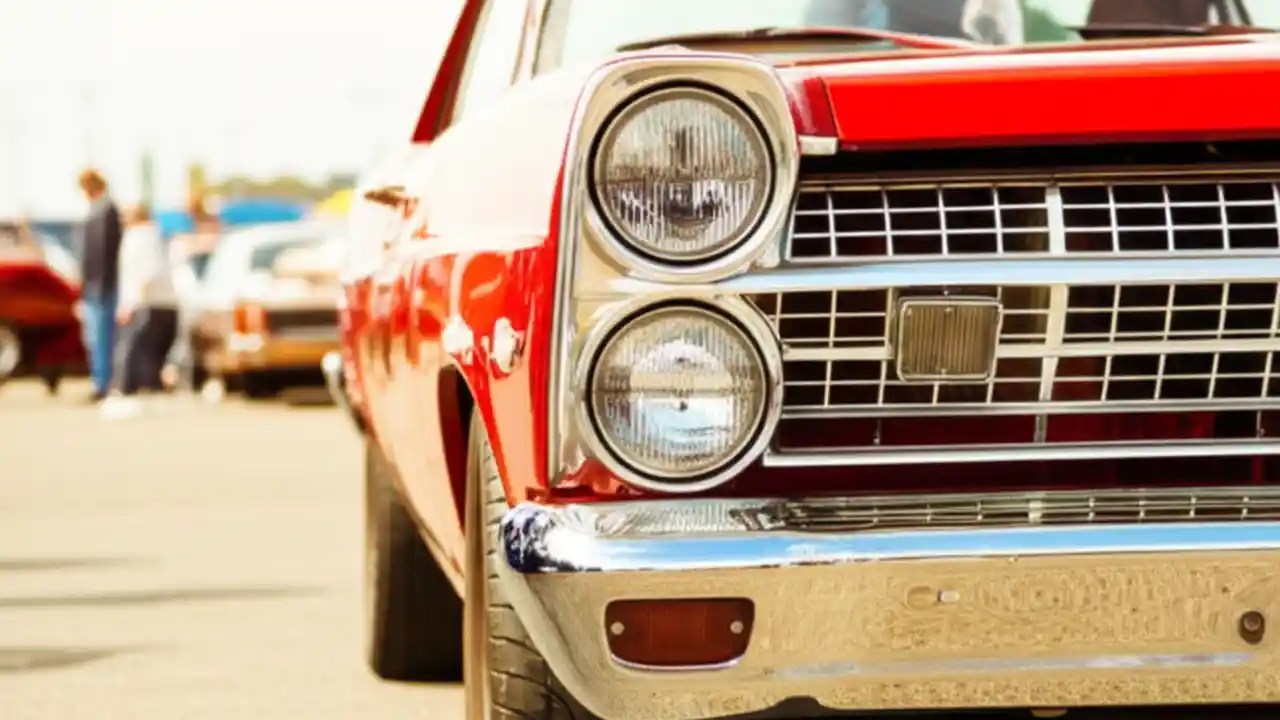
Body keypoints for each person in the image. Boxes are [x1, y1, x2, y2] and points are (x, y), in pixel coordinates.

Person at [101, 205, 179, 419]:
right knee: (151, 355)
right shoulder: (159, 235)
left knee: (131, 350)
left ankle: (126, 394)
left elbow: (146, 273)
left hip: (144, 303)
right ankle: (147, 393)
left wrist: (130, 303)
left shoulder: (139, 237)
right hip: (165, 303)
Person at [77, 169, 123, 403]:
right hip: (95, 285)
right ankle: (99, 380)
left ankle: (103, 383)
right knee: (95, 337)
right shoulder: (98, 211)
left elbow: (104, 253)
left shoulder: (106, 211)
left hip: (102, 286)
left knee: (103, 337)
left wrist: (98, 284)